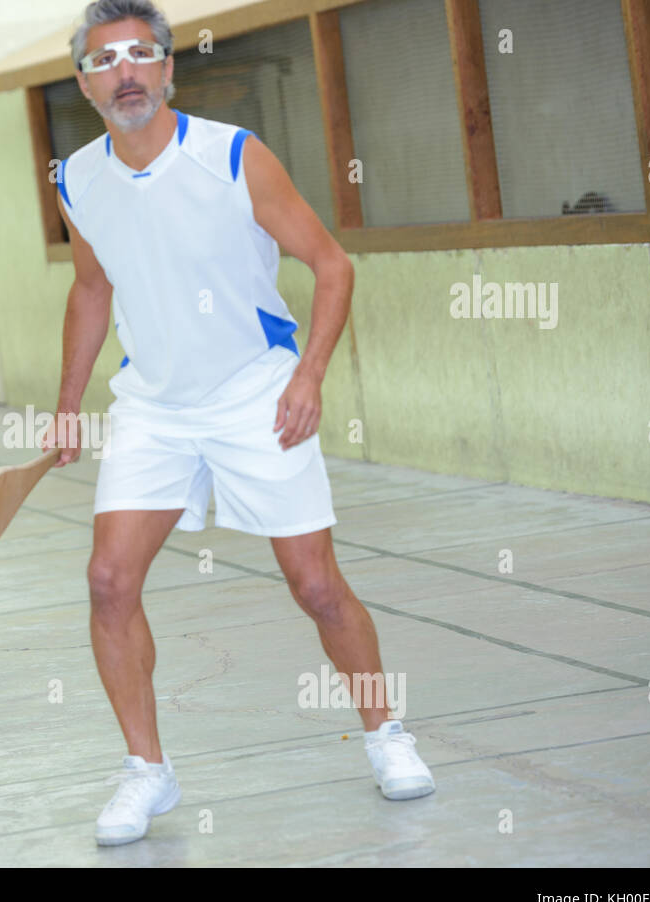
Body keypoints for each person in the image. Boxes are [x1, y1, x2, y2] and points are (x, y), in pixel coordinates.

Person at [45, 0, 435, 846]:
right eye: (106, 61)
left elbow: (330, 263)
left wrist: (308, 376)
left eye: (142, 54)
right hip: (152, 403)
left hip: (255, 392)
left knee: (317, 586)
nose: (127, 73)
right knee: (109, 582)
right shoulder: (75, 176)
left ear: (169, 68)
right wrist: (68, 405)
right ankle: (148, 771)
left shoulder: (232, 155)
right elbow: (91, 288)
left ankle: (386, 734)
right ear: (83, 81)